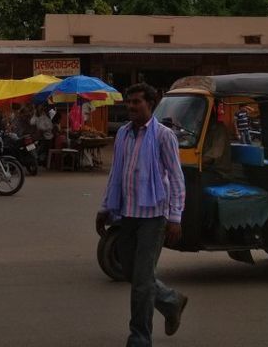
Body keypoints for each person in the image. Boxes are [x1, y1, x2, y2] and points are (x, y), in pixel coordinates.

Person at [95, 82, 188, 346]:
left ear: (151, 104)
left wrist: (175, 217)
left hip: (154, 217)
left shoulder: (163, 136)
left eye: (137, 102)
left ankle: (139, 338)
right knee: (131, 273)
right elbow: (116, 174)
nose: (131, 107)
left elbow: (176, 178)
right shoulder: (123, 134)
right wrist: (104, 208)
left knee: (141, 283)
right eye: (129, 102)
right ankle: (171, 301)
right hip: (127, 215)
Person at [202, 110, 234, 181]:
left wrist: (194, 160)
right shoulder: (203, 129)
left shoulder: (219, 129)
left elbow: (213, 156)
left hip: (219, 173)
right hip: (205, 169)